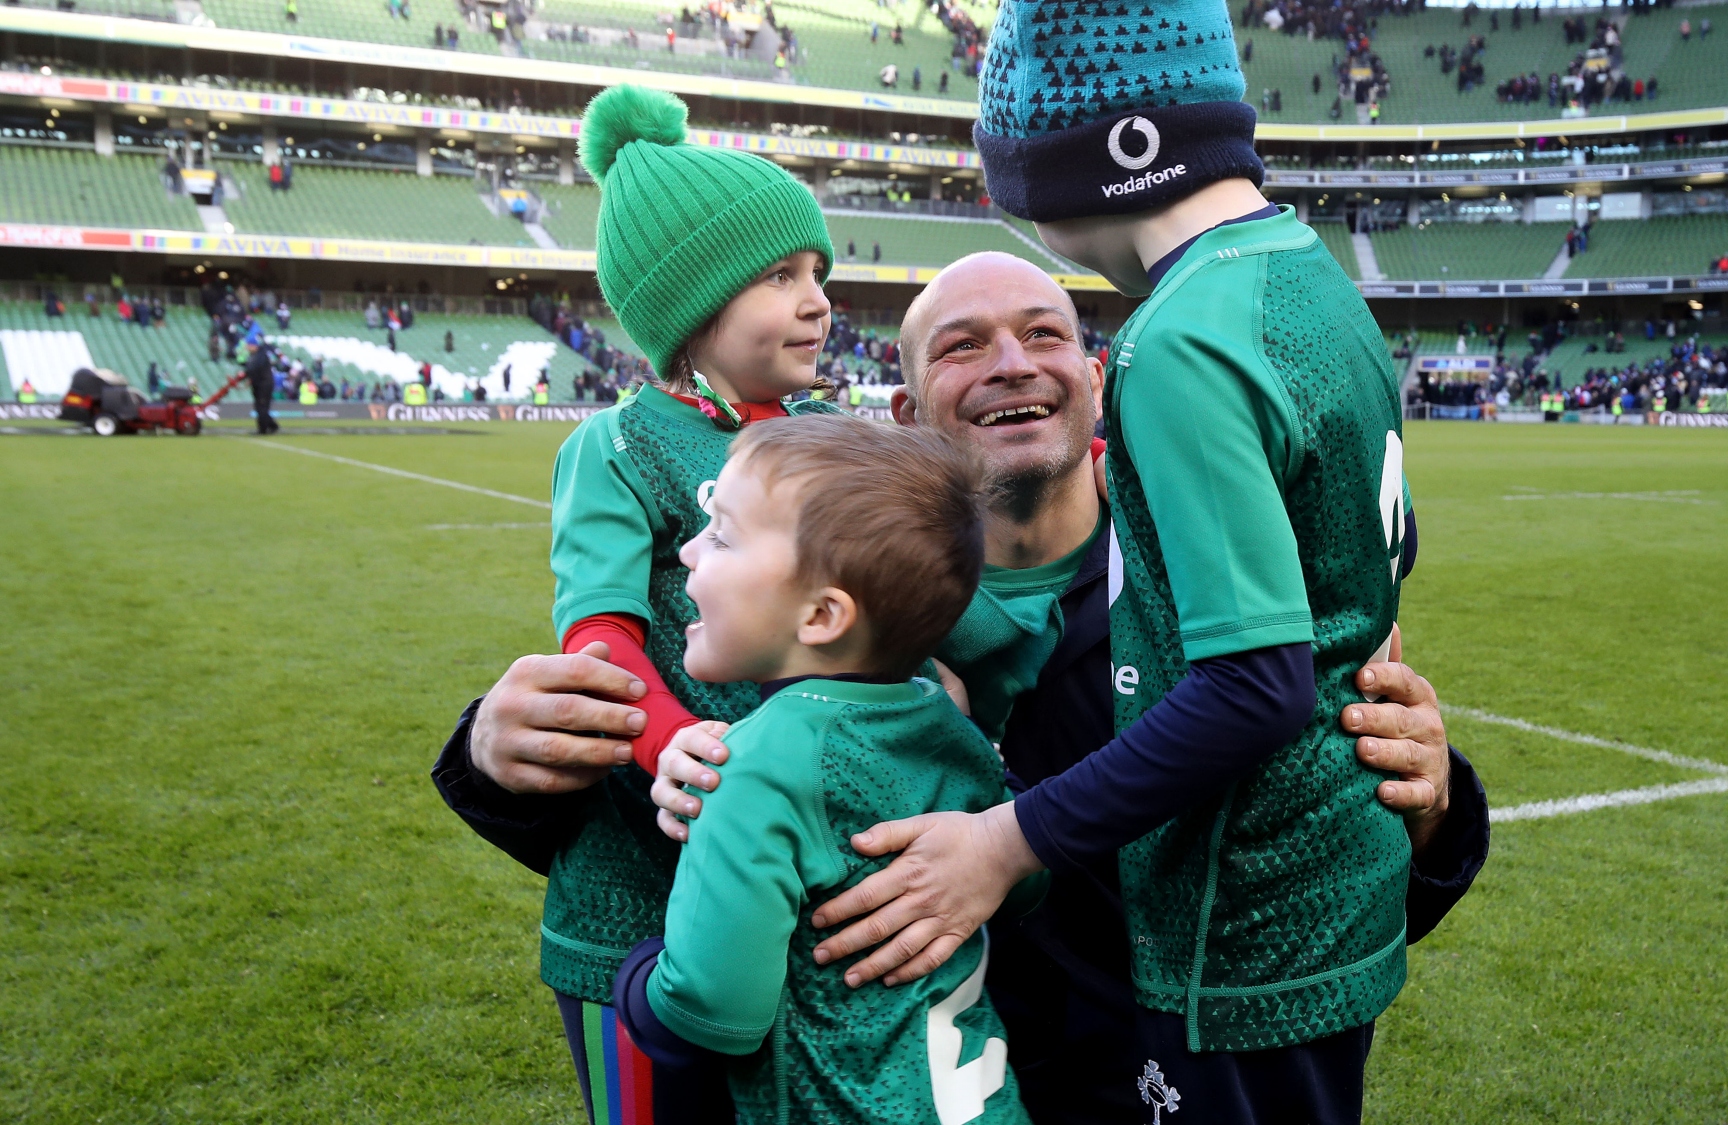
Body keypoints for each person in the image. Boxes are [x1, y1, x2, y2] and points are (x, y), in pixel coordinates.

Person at [436, 252, 1485, 1125]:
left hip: (1148, 1075)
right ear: (904, 410)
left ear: (1095, 369)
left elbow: (1307, 844)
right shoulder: (818, 593)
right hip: (913, 1078)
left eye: (1043, 333)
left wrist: (1432, 811)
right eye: (960, 345)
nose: (1010, 364)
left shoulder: (1213, 584)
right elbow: (700, 811)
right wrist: (497, 757)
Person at [849, 1, 1418, 1117]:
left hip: (1235, 929)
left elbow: (1255, 687)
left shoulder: (1180, 335)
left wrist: (1006, 840)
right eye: (963, 346)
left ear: (1072, 161)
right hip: (1329, 903)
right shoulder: (1308, 284)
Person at [449, 83, 844, 1124]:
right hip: (634, 901)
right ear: (692, 302)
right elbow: (598, 634)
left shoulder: (820, 443)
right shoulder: (617, 445)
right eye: (779, 275)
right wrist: (666, 742)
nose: (817, 299)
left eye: (818, 273)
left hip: (781, 892)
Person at [609, 414, 1035, 1124]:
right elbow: (1024, 882)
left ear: (820, 614)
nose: (685, 551)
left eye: (720, 533)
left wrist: (635, 976)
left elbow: (716, 1010)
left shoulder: (752, 767)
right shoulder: (945, 722)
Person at [243, 339, 277, 434]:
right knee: (260, 407)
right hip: (259, 384)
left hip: (263, 385)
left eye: (249, 345)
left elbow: (254, 368)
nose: (247, 348)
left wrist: (246, 374)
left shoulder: (260, 356)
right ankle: (272, 425)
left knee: (262, 407)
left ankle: (263, 429)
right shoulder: (255, 356)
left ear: (255, 346)